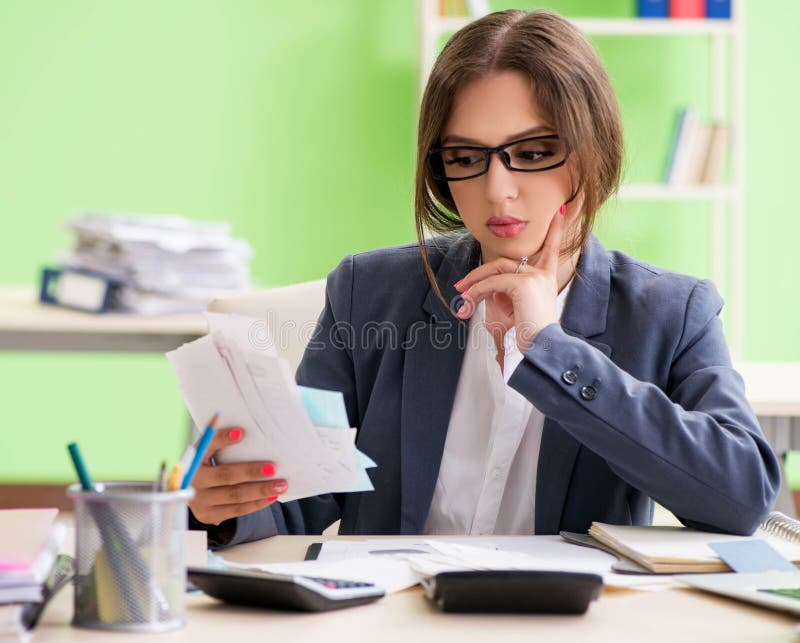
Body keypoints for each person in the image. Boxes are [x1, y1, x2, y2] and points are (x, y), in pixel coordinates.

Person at [187, 9, 780, 548]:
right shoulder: (368, 293)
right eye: (467, 158)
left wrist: (552, 349)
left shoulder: (670, 312)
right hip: (392, 620)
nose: (497, 189)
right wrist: (223, 504)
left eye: (532, 151)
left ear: (590, 149)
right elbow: (299, 502)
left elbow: (740, 498)